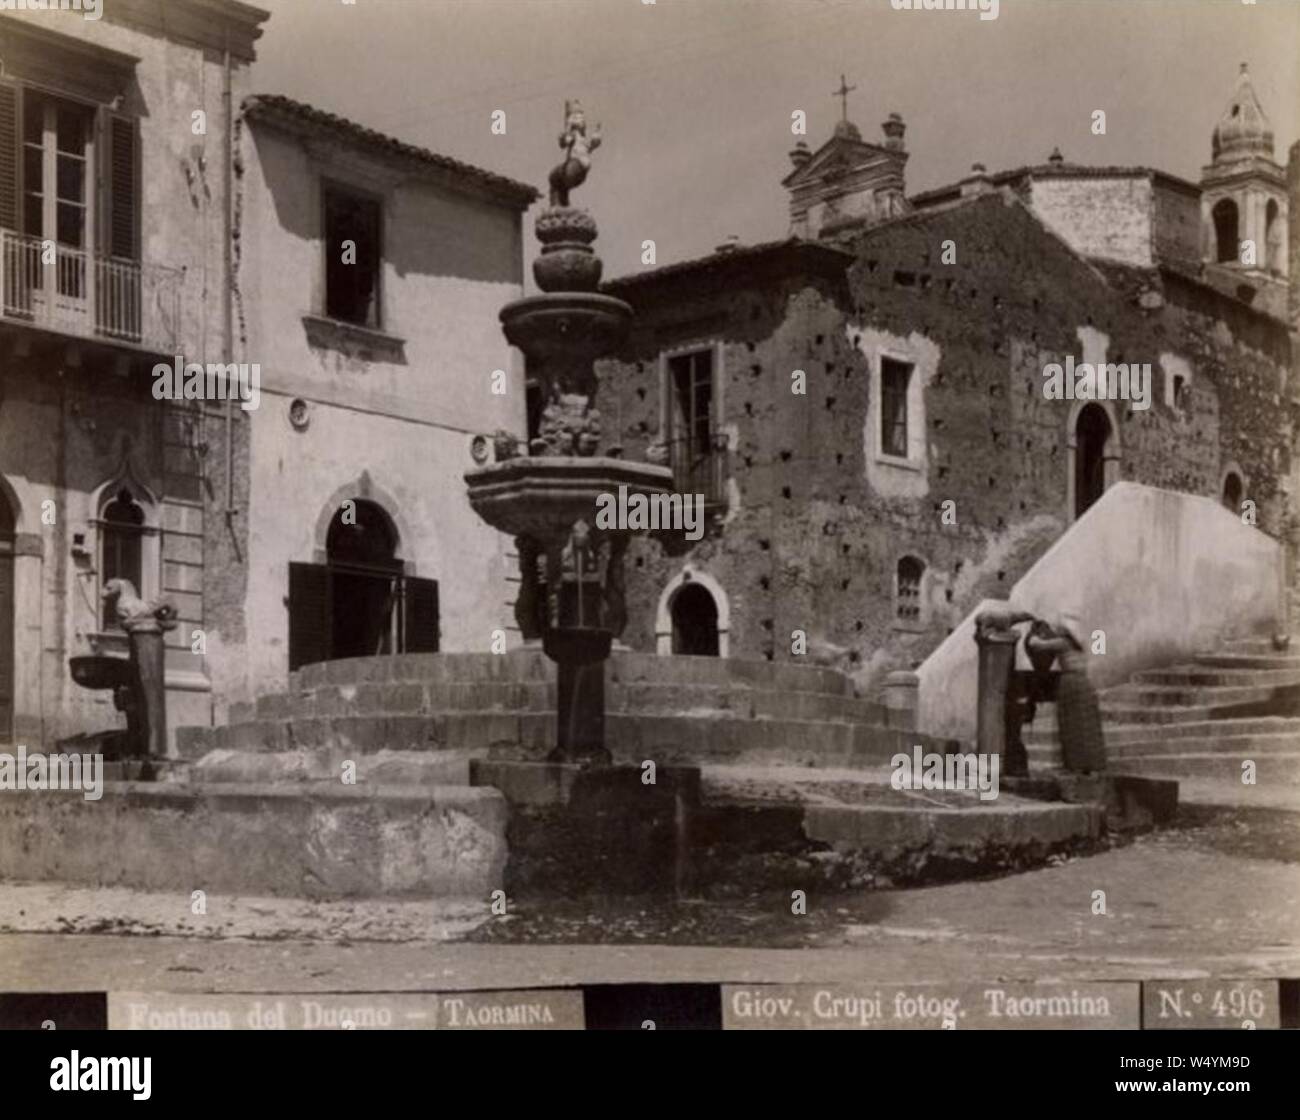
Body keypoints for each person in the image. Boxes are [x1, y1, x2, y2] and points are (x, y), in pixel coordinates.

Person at [1025, 611, 1106, 774]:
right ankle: (1093, 764)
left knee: (1072, 725)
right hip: (1085, 683)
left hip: (1070, 683)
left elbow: (1036, 645)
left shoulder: (1062, 643)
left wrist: (1032, 633)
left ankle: (1076, 764)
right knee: (1087, 725)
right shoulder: (1085, 645)